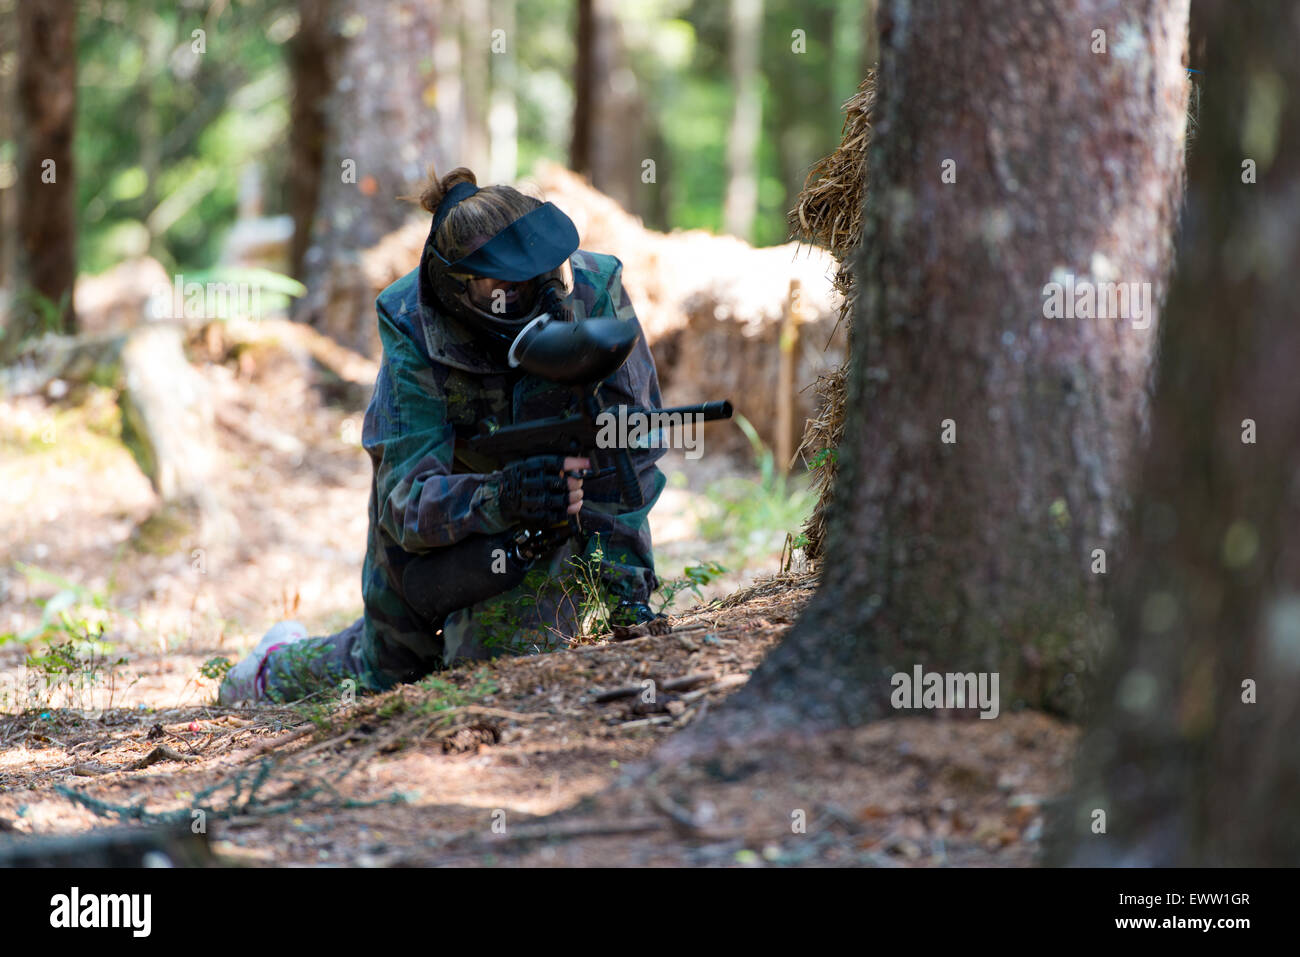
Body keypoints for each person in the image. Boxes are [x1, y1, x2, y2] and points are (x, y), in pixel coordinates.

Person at [218, 165, 668, 704]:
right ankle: (272, 667)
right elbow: (405, 502)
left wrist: (629, 596)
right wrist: (505, 494)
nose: (539, 295)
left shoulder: (593, 290)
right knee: (387, 679)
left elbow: (629, 457)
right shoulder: (414, 323)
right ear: (459, 287)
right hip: (444, 526)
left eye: (546, 272)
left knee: (488, 673)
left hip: (548, 522)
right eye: (506, 285)